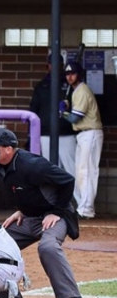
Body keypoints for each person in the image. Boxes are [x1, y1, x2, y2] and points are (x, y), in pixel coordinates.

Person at [0, 127, 84, 298]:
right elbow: (24, 189)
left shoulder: (33, 165)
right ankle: (9, 296)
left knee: (48, 247)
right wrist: (22, 210)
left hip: (55, 216)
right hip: (29, 217)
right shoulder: (0, 166)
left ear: (9, 148)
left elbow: (67, 181)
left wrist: (55, 211)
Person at [60, 61, 104, 220]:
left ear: (79, 74)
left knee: (87, 172)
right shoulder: (75, 91)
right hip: (83, 134)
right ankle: (85, 208)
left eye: (73, 73)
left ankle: (86, 210)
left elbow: (74, 117)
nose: (70, 76)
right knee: (81, 172)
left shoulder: (82, 90)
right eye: (67, 74)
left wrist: (63, 112)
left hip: (90, 132)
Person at [29, 54, 75, 172]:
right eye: (51, 64)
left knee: (71, 168)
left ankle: (73, 191)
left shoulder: (69, 85)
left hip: (66, 132)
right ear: (48, 66)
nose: (54, 66)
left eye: (58, 64)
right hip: (46, 133)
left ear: (62, 65)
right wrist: (31, 133)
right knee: (50, 169)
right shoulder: (41, 86)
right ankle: (53, 191)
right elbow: (34, 110)